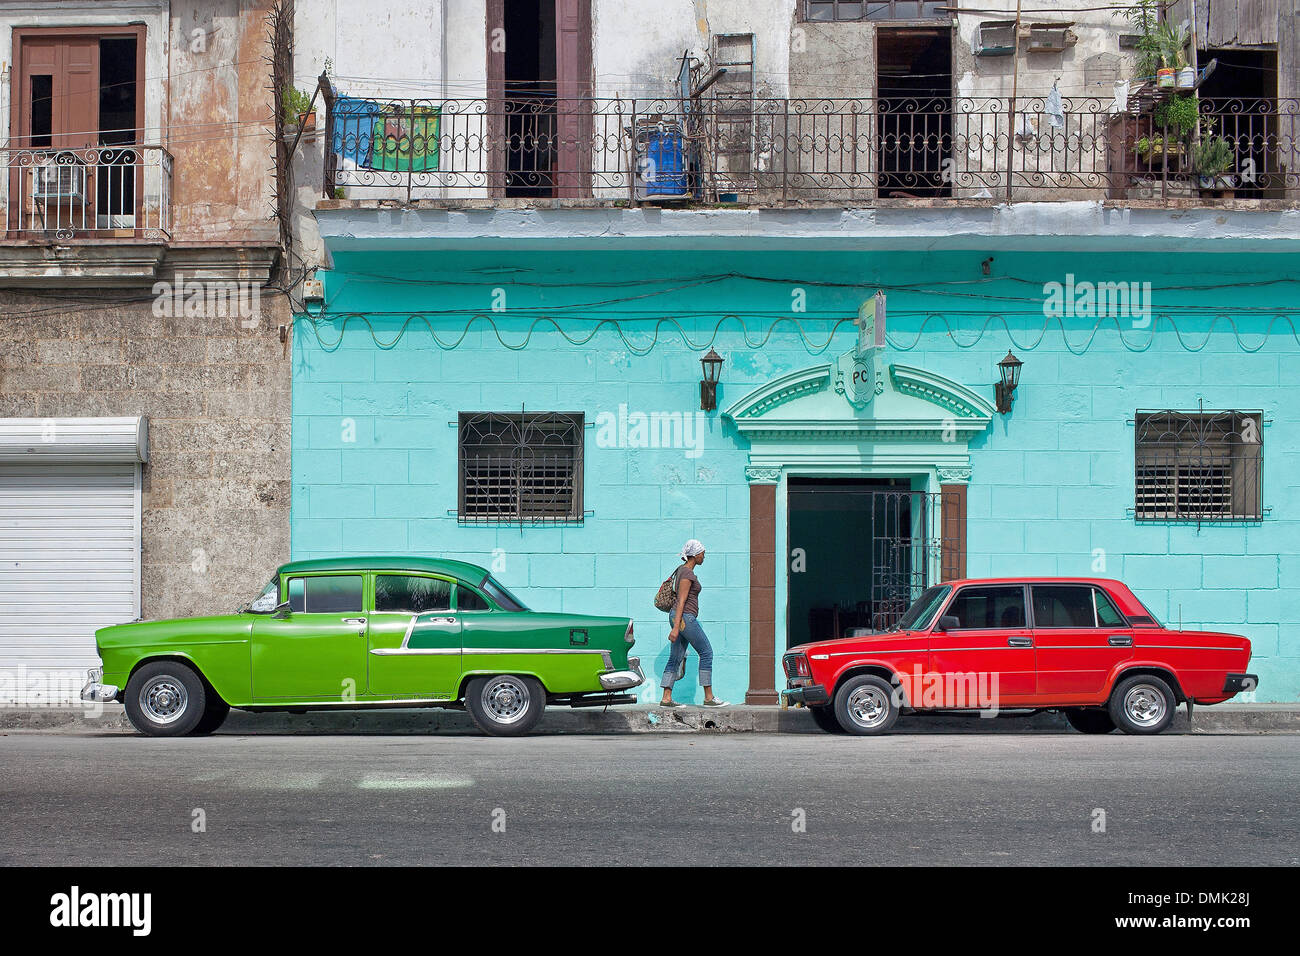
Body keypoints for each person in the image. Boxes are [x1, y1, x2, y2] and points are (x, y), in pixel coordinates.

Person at [660, 539, 727, 708]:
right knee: (706, 652)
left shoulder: (684, 571)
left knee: (675, 657)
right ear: (695, 554)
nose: (704, 556)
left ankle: (666, 698)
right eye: (703, 553)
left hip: (681, 617)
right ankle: (708, 697)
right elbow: (681, 601)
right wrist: (676, 628)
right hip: (684, 618)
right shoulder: (687, 573)